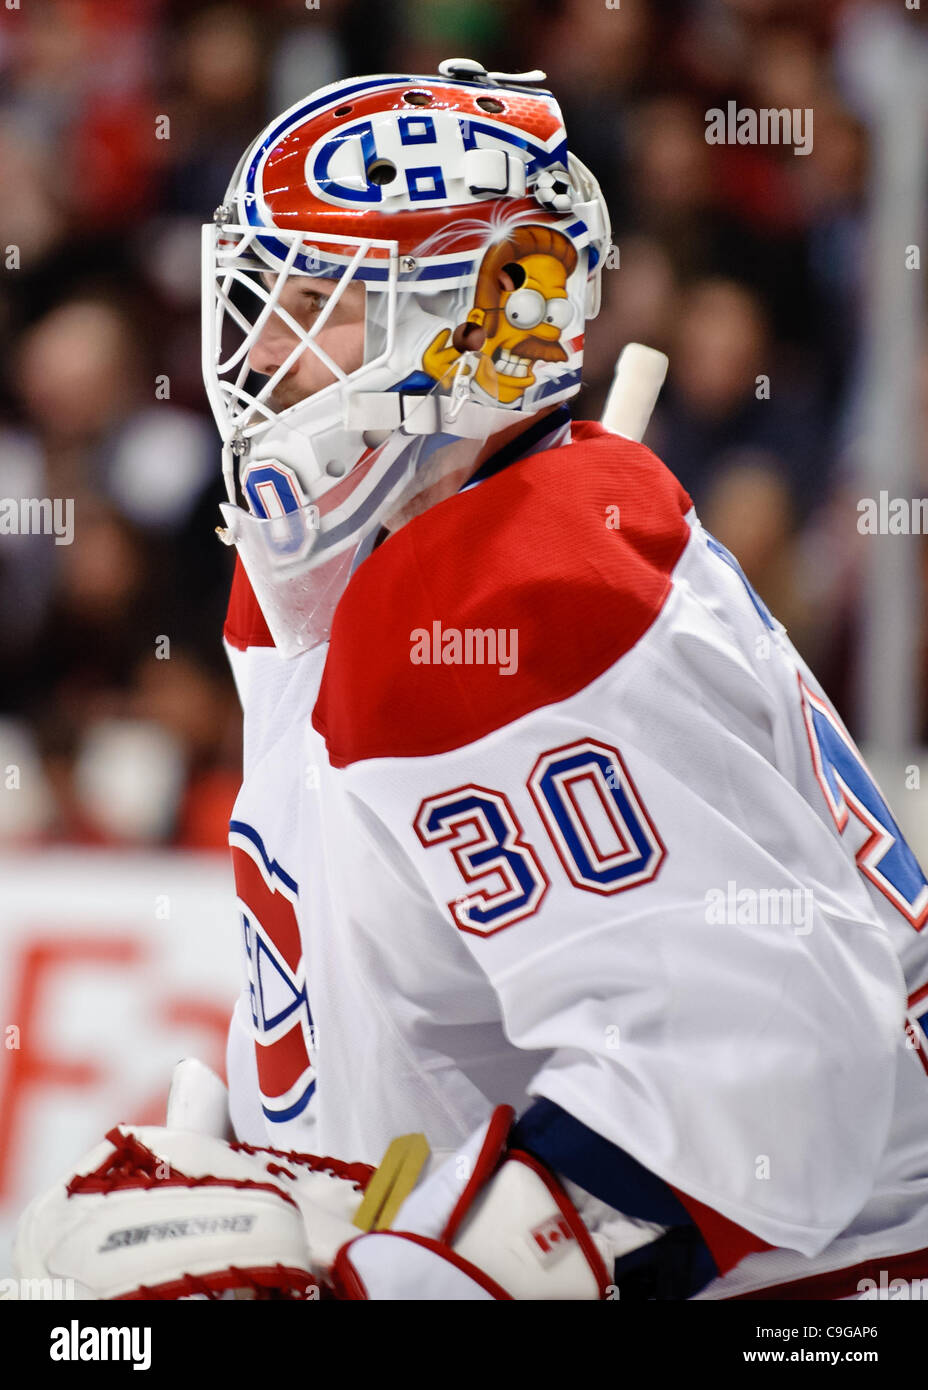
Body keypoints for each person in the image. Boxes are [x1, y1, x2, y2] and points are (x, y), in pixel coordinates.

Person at [14, 59, 928, 1302]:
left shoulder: (510, 592)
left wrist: (401, 1279)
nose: (265, 346)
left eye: (321, 296)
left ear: (479, 326)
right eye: (261, 296)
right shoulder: (361, 564)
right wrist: (305, 1182)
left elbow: (751, 1061)